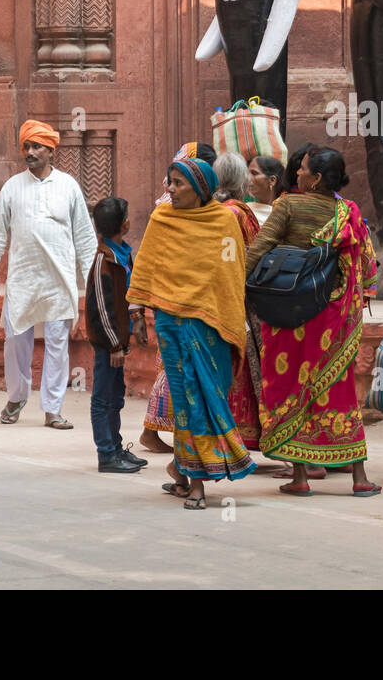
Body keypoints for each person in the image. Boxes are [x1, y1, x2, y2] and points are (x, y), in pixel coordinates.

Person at [246, 147, 382, 496]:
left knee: (291, 388)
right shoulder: (347, 212)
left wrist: (235, 284)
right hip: (332, 319)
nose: (298, 175)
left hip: (290, 317)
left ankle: (301, 478)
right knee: (339, 394)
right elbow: (367, 267)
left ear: (317, 178)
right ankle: (359, 479)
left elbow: (260, 247)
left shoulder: (288, 205)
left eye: (304, 170)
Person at [127, 156, 255, 509]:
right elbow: (146, 264)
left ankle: (184, 469)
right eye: (169, 181)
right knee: (185, 399)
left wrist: (227, 317)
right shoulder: (162, 218)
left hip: (210, 324)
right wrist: (137, 313)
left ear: (200, 189)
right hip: (170, 322)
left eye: (178, 183)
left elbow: (231, 275)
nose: (170, 189)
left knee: (207, 395)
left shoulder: (224, 223)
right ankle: (194, 481)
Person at [0, 119, 97, 429]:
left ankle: (53, 409)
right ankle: (17, 395)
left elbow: (85, 237)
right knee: (16, 340)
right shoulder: (12, 187)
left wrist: (92, 280)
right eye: (27, 146)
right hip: (23, 277)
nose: (30, 152)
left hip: (58, 280)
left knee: (58, 343)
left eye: (37, 146)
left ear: (51, 150)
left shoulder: (68, 186)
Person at [140, 141, 219, 455]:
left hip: (186, 297)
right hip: (173, 298)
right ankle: (164, 434)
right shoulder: (168, 209)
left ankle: (164, 433)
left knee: (176, 365)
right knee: (176, 366)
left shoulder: (188, 207)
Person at [85, 197, 149, 473]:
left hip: (119, 340)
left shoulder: (122, 254)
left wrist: (138, 321)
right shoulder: (103, 263)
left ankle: (116, 446)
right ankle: (106, 454)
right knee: (103, 396)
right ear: (124, 224)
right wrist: (113, 346)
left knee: (116, 395)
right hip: (107, 344)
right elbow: (101, 308)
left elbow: (130, 293)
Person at [212, 151, 264, 453]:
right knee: (244, 367)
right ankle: (241, 437)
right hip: (240, 300)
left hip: (223, 299)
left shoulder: (218, 210)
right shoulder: (237, 213)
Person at [247, 155, 286, 225]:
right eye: (248, 173)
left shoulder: (284, 214)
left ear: (272, 180)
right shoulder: (246, 209)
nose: (248, 178)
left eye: (254, 173)